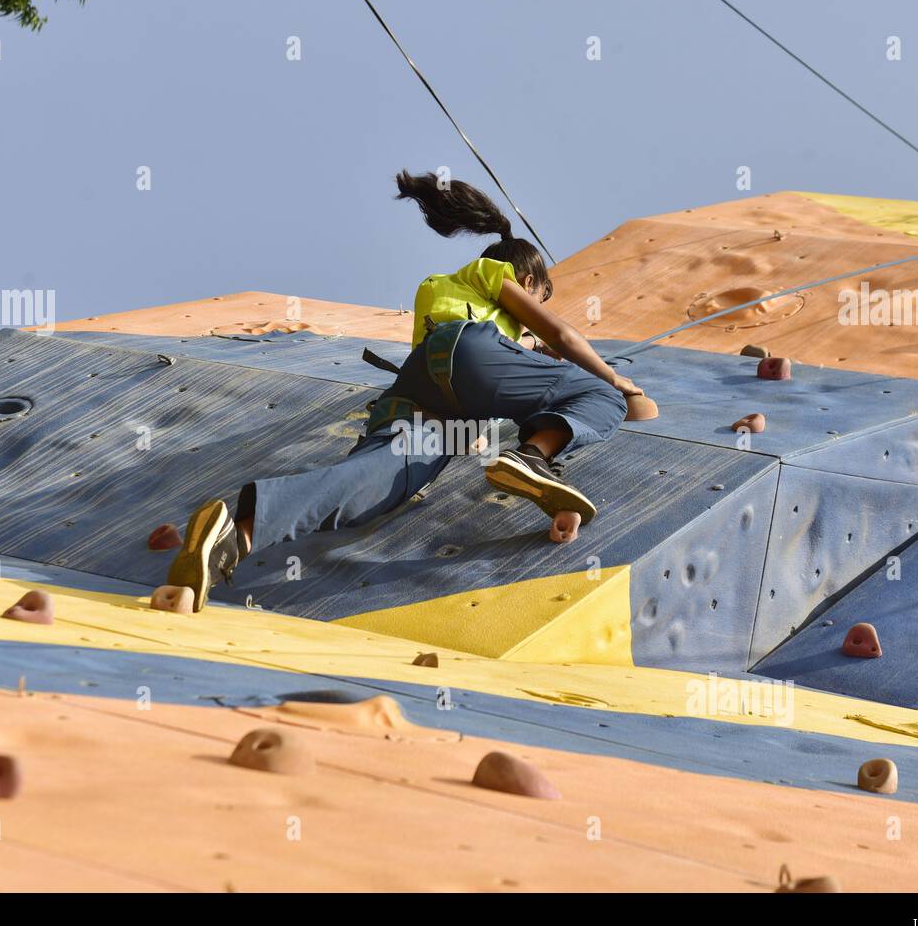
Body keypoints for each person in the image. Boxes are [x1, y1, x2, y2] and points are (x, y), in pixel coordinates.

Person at [164, 170, 644, 611]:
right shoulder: (489, 275)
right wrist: (616, 379)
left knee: (364, 487)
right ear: (528, 280)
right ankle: (532, 458)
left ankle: (232, 537)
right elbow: (561, 337)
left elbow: (470, 369)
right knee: (601, 397)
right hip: (466, 364)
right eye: (540, 297)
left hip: (419, 400)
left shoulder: (437, 290)